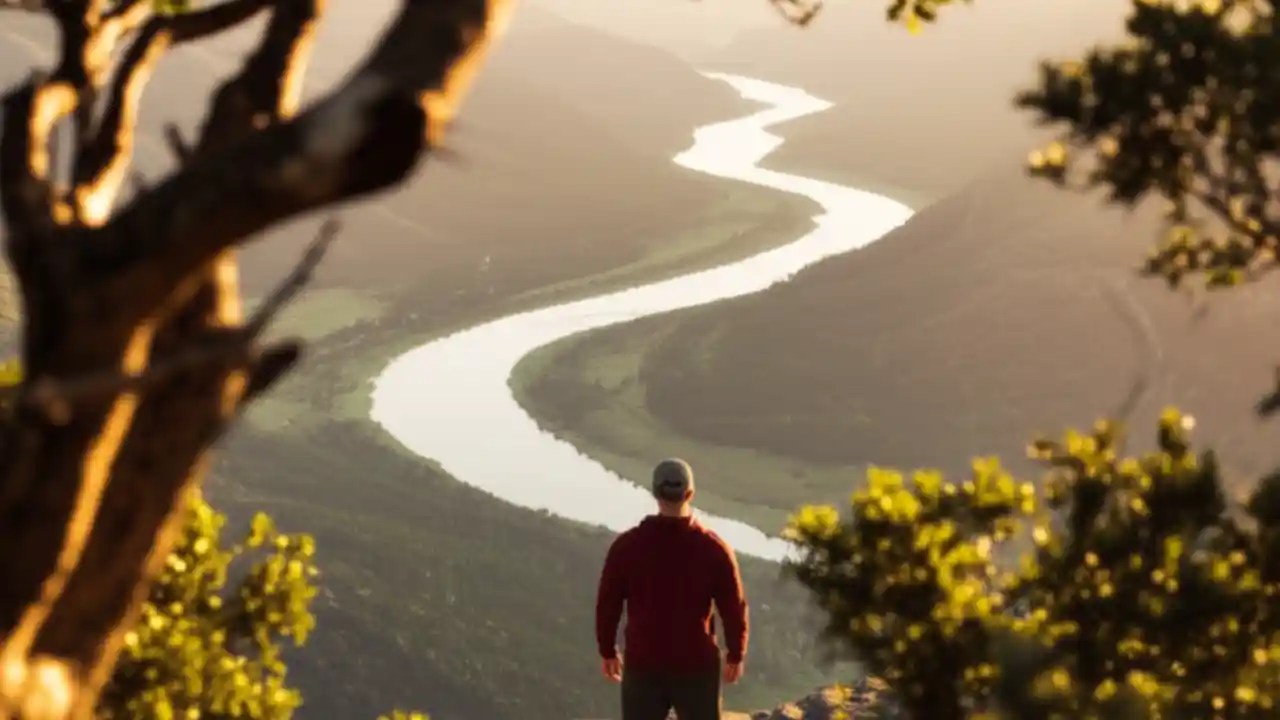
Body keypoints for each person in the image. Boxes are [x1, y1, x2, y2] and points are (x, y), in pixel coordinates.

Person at [594, 458, 749, 720]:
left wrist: (608, 650)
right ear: (690, 493)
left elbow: (608, 604)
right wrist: (736, 653)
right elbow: (733, 607)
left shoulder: (627, 547)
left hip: (644, 662)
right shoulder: (714, 549)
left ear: (655, 493)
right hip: (696, 666)